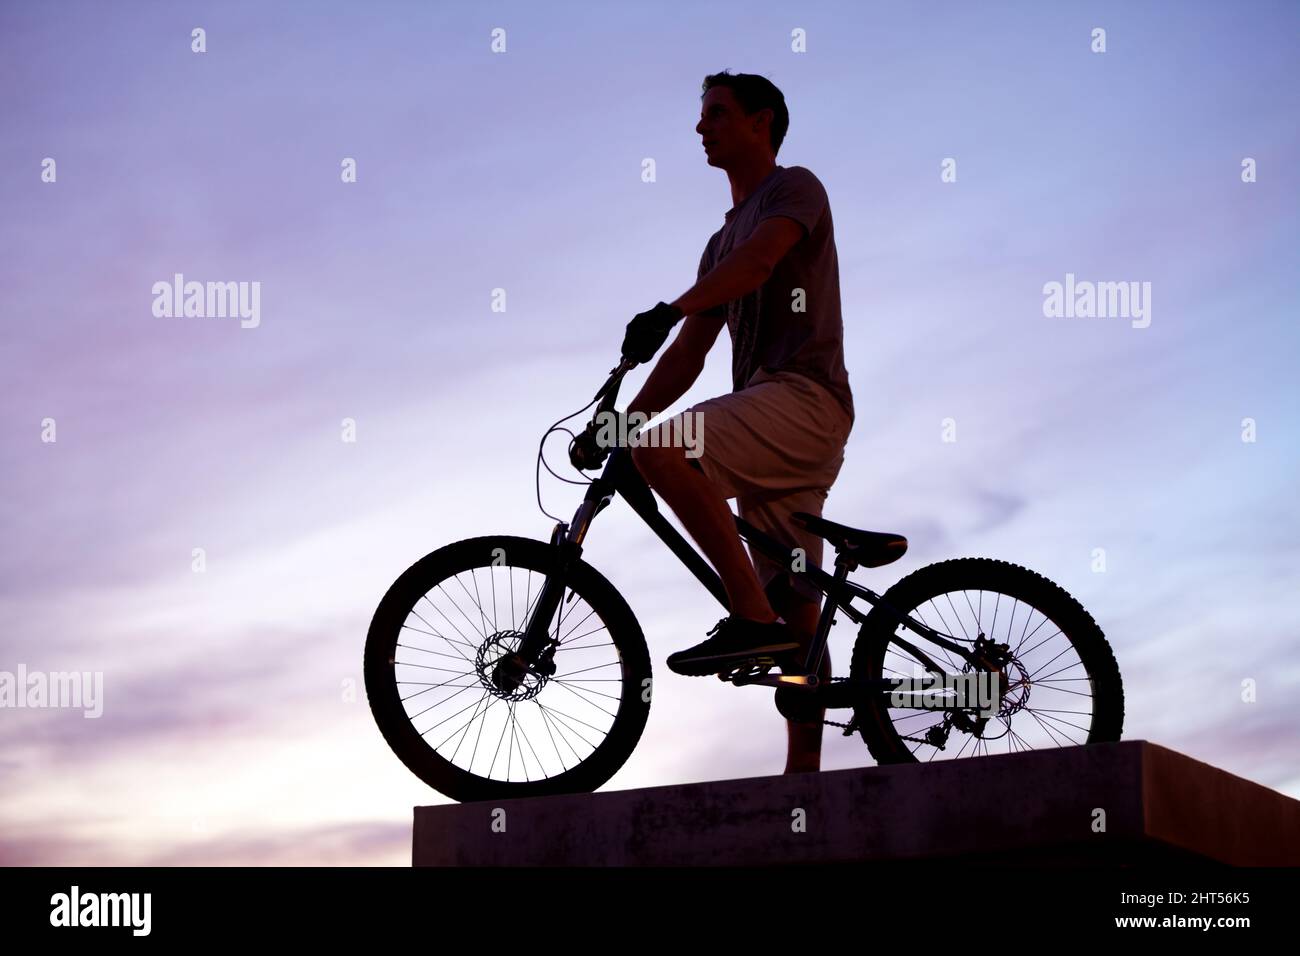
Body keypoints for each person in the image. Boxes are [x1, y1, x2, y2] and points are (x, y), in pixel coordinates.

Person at [620, 70, 854, 774]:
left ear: (762, 121)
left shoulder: (795, 189)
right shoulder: (715, 245)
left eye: (717, 114)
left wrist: (670, 307)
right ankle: (804, 780)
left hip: (804, 398)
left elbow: (759, 264)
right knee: (798, 619)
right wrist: (618, 426)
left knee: (665, 450)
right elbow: (689, 355)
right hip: (770, 416)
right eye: (701, 117)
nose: (701, 127)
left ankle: (746, 618)